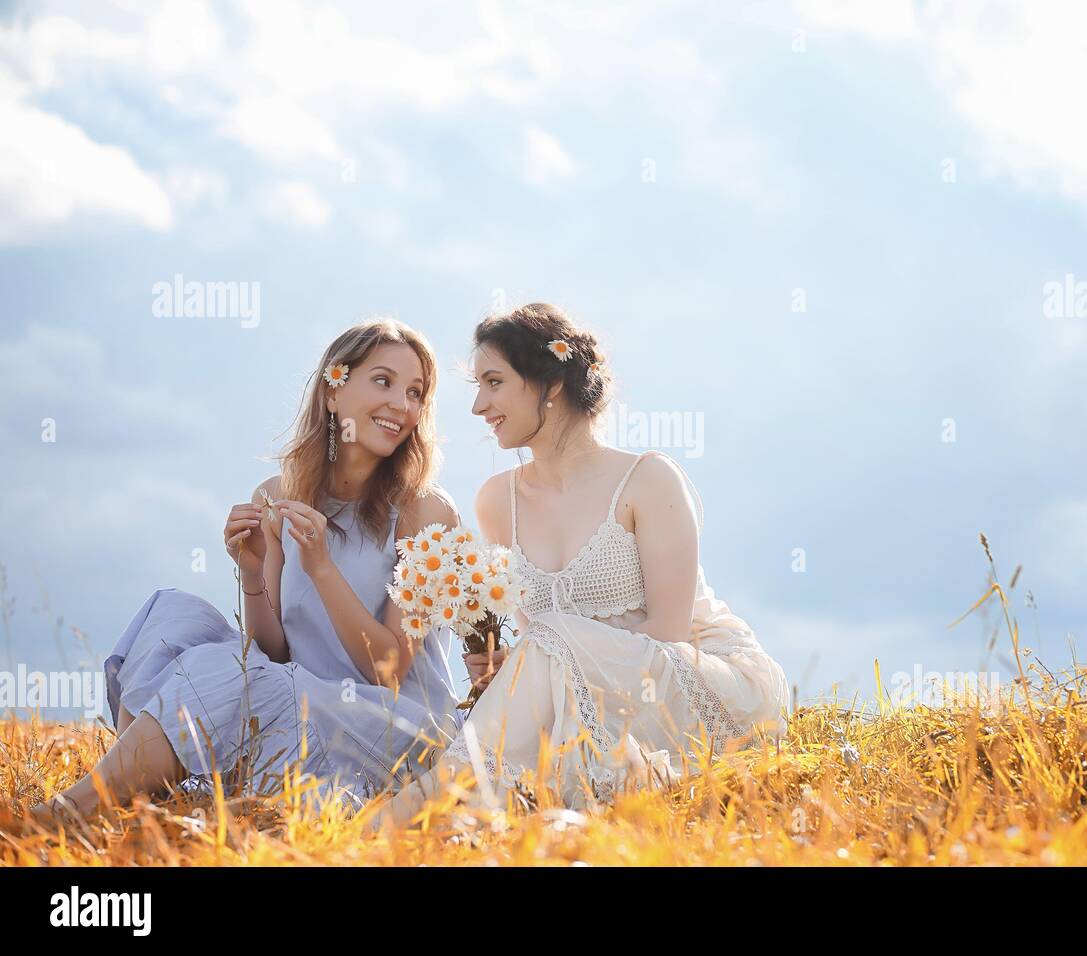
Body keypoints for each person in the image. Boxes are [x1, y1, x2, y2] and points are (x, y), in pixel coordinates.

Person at [28, 318, 463, 827]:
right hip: (299, 698)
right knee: (176, 614)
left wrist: (321, 567)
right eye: (384, 382)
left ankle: (71, 811)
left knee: (235, 674)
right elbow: (274, 650)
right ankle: (145, 792)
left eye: (416, 392)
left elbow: (386, 670)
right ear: (332, 390)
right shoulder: (278, 495)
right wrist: (252, 571)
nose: (402, 406)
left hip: (394, 726)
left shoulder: (424, 512)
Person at [372, 303, 789, 827]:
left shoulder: (648, 480)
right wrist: (506, 671)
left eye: (494, 382)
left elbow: (669, 632)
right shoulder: (498, 501)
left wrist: (554, 658)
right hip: (589, 692)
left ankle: (416, 812)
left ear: (549, 383)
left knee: (553, 637)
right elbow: (537, 641)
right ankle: (450, 815)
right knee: (544, 655)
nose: (479, 405)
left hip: (693, 681)